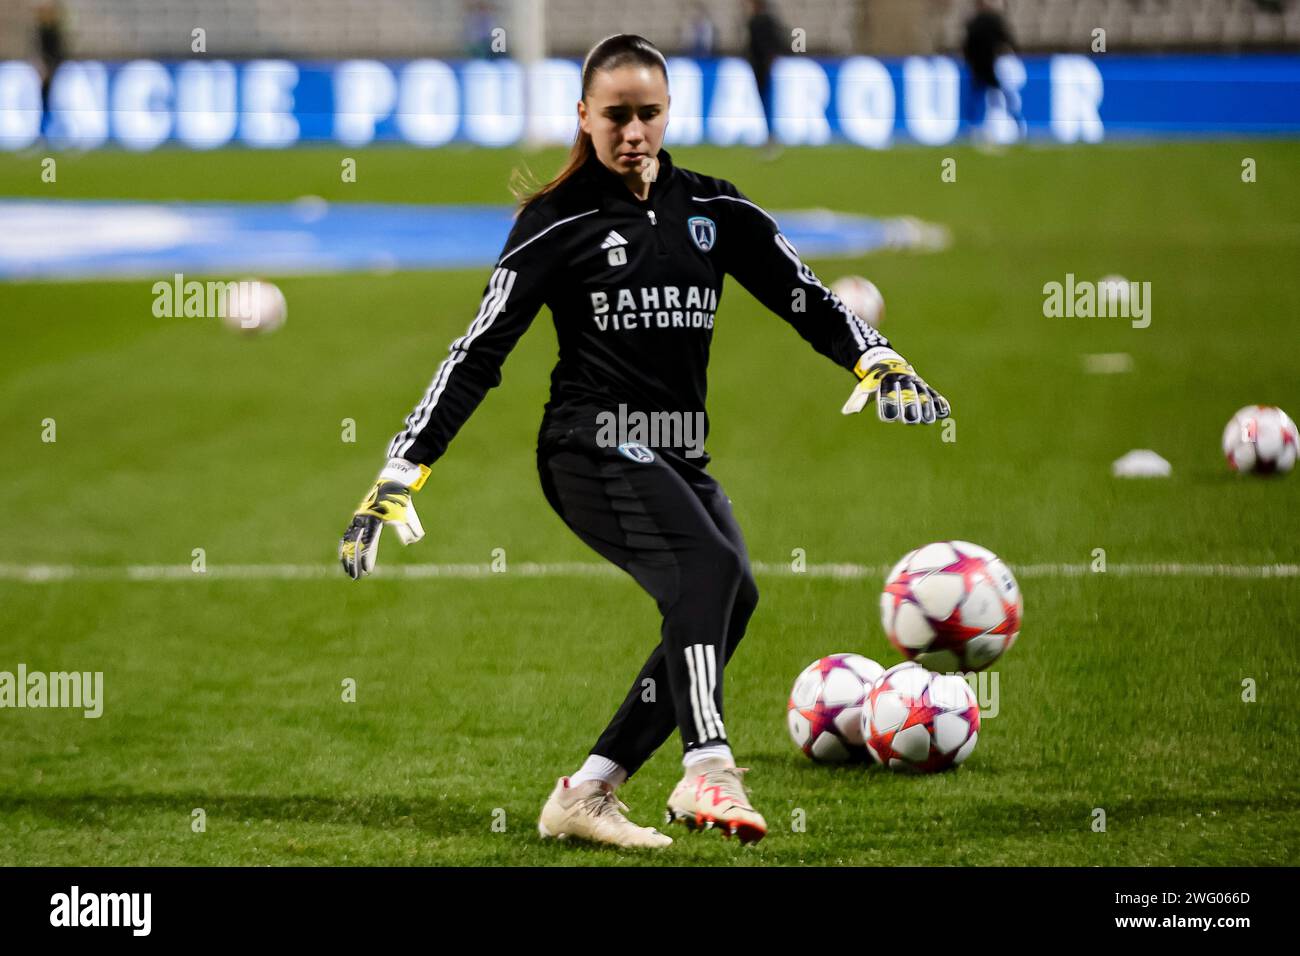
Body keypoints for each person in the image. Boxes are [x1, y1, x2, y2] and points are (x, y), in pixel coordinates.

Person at [338, 33, 950, 850]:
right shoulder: (554, 222)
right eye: (616, 115)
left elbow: (803, 298)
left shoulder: (716, 210)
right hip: (588, 446)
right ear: (583, 117)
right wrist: (400, 470)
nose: (633, 132)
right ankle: (709, 768)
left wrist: (876, 359)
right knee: (707, 569)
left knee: (730, 600)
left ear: (669, 114)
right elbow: (476, 354)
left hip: (676, 450)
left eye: (648, 114)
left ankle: (589, 792)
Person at [961, 0, 1024, 141]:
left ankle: (976, 127)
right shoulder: (993, 21)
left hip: (979, 67)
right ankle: (1013, 125)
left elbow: (967, 47)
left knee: (982, 98)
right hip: (990, 67)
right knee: (997, 98)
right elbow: (1007, 41)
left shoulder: (974, 23)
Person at [743, 0, 785, 156]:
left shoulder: (757, 21)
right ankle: (770, 136)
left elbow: (754, 47)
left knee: (766, 103)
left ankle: (771, 137)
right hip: (764, 66)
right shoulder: (767, 20)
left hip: (760, 67)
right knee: (767, 103)